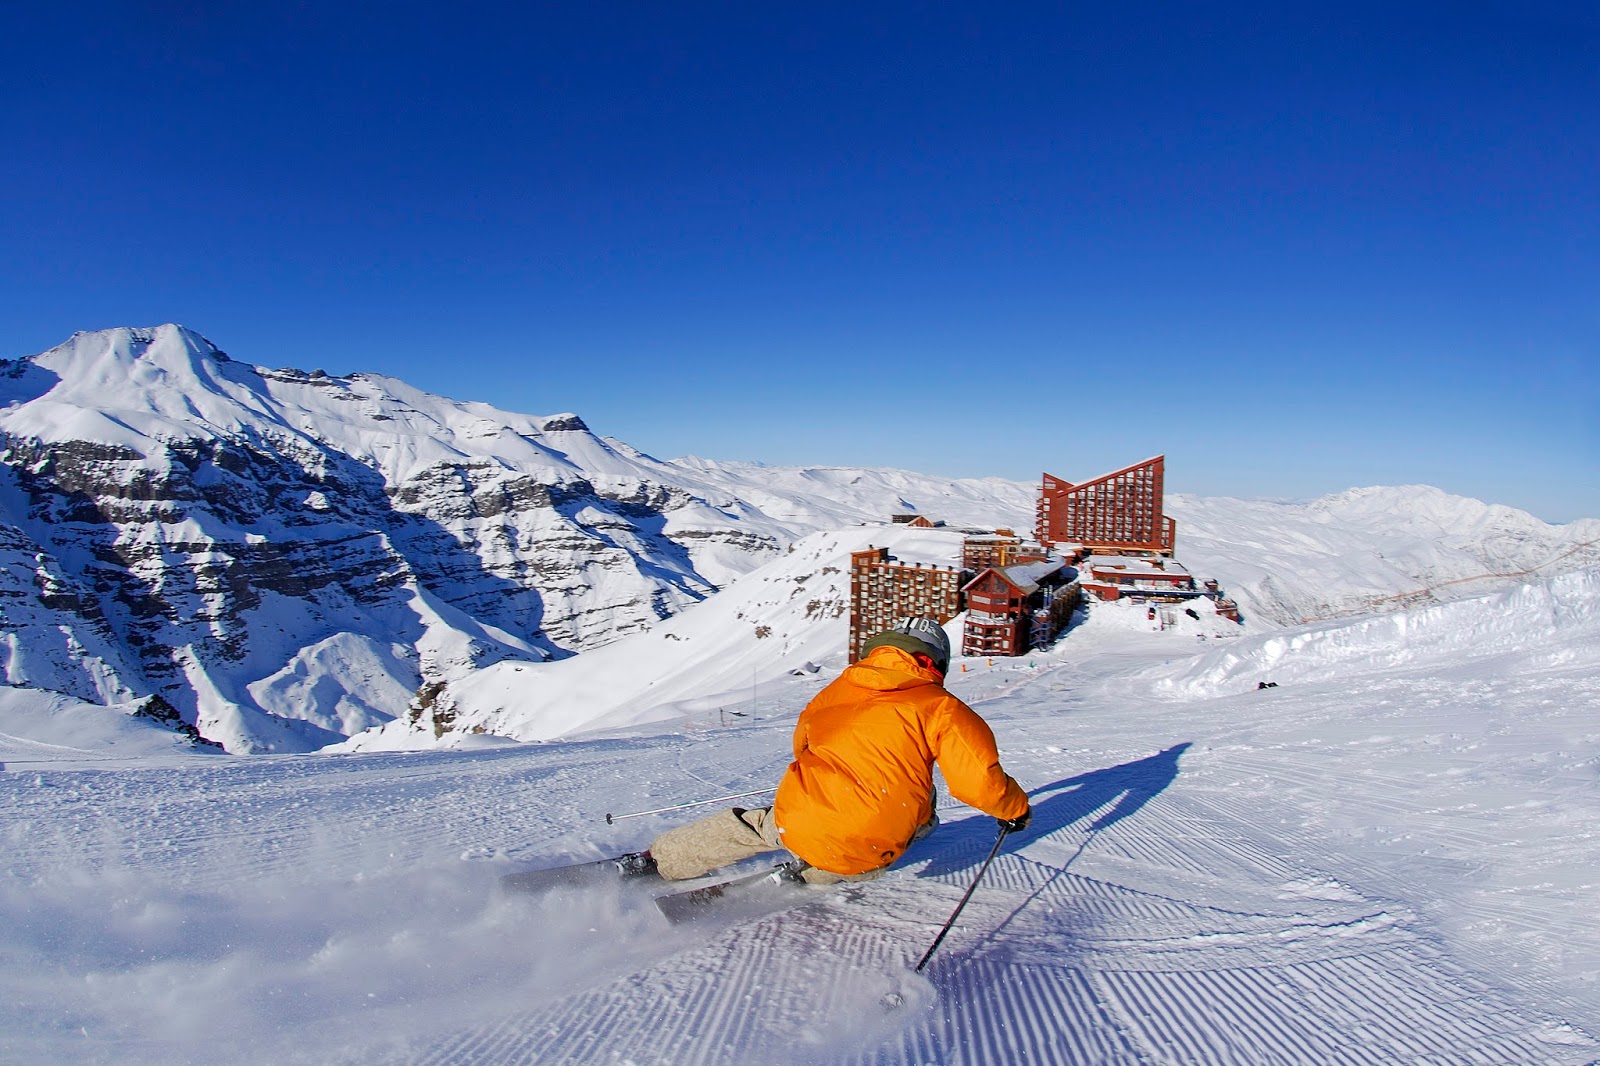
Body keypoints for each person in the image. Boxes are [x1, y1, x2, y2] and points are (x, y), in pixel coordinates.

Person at [623, 616, 1032, 885]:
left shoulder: (834, 691)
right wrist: (1014, 810)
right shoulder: (943, 708)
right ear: (934, 662)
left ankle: (659, 862)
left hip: (801, 823)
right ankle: (815, 874)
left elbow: (802, 747)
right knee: (916, 815)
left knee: (759, 825)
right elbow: (977, 782)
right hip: (877, 842)